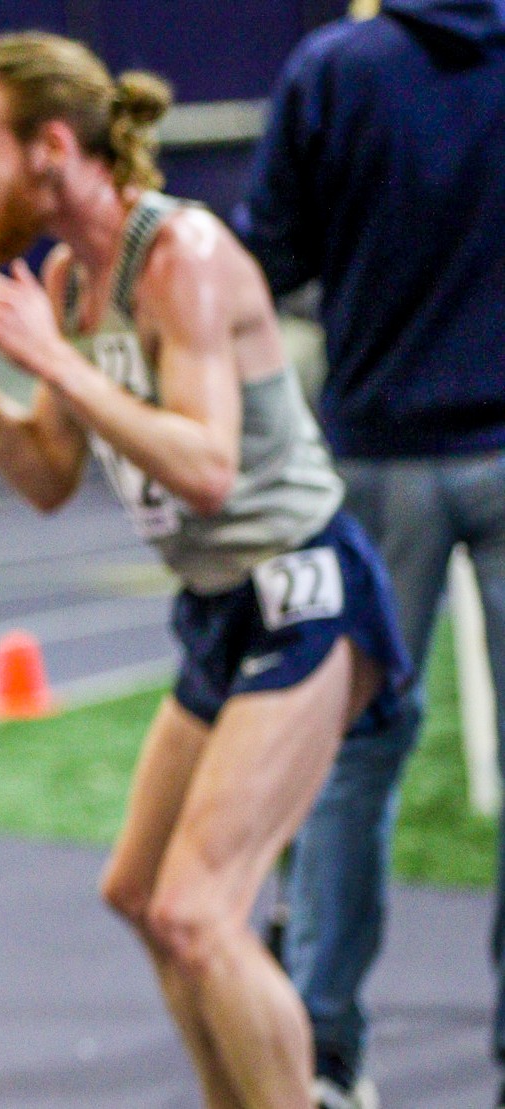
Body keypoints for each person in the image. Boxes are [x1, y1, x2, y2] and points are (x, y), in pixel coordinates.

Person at [0, 32, 411, 1108]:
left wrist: (54, 358)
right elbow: (47, 475)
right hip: (220, 607)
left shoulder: (185, 256)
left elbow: (208, 467)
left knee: (198, 911)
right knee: (139, 892)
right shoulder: (71, 277)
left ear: (53, 147)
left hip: (305, 590)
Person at [234, 0, 505, 1103]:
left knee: (351, 756)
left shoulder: (334, 69)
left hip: (380, 449)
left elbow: (270, 247)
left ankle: (327, 1047)